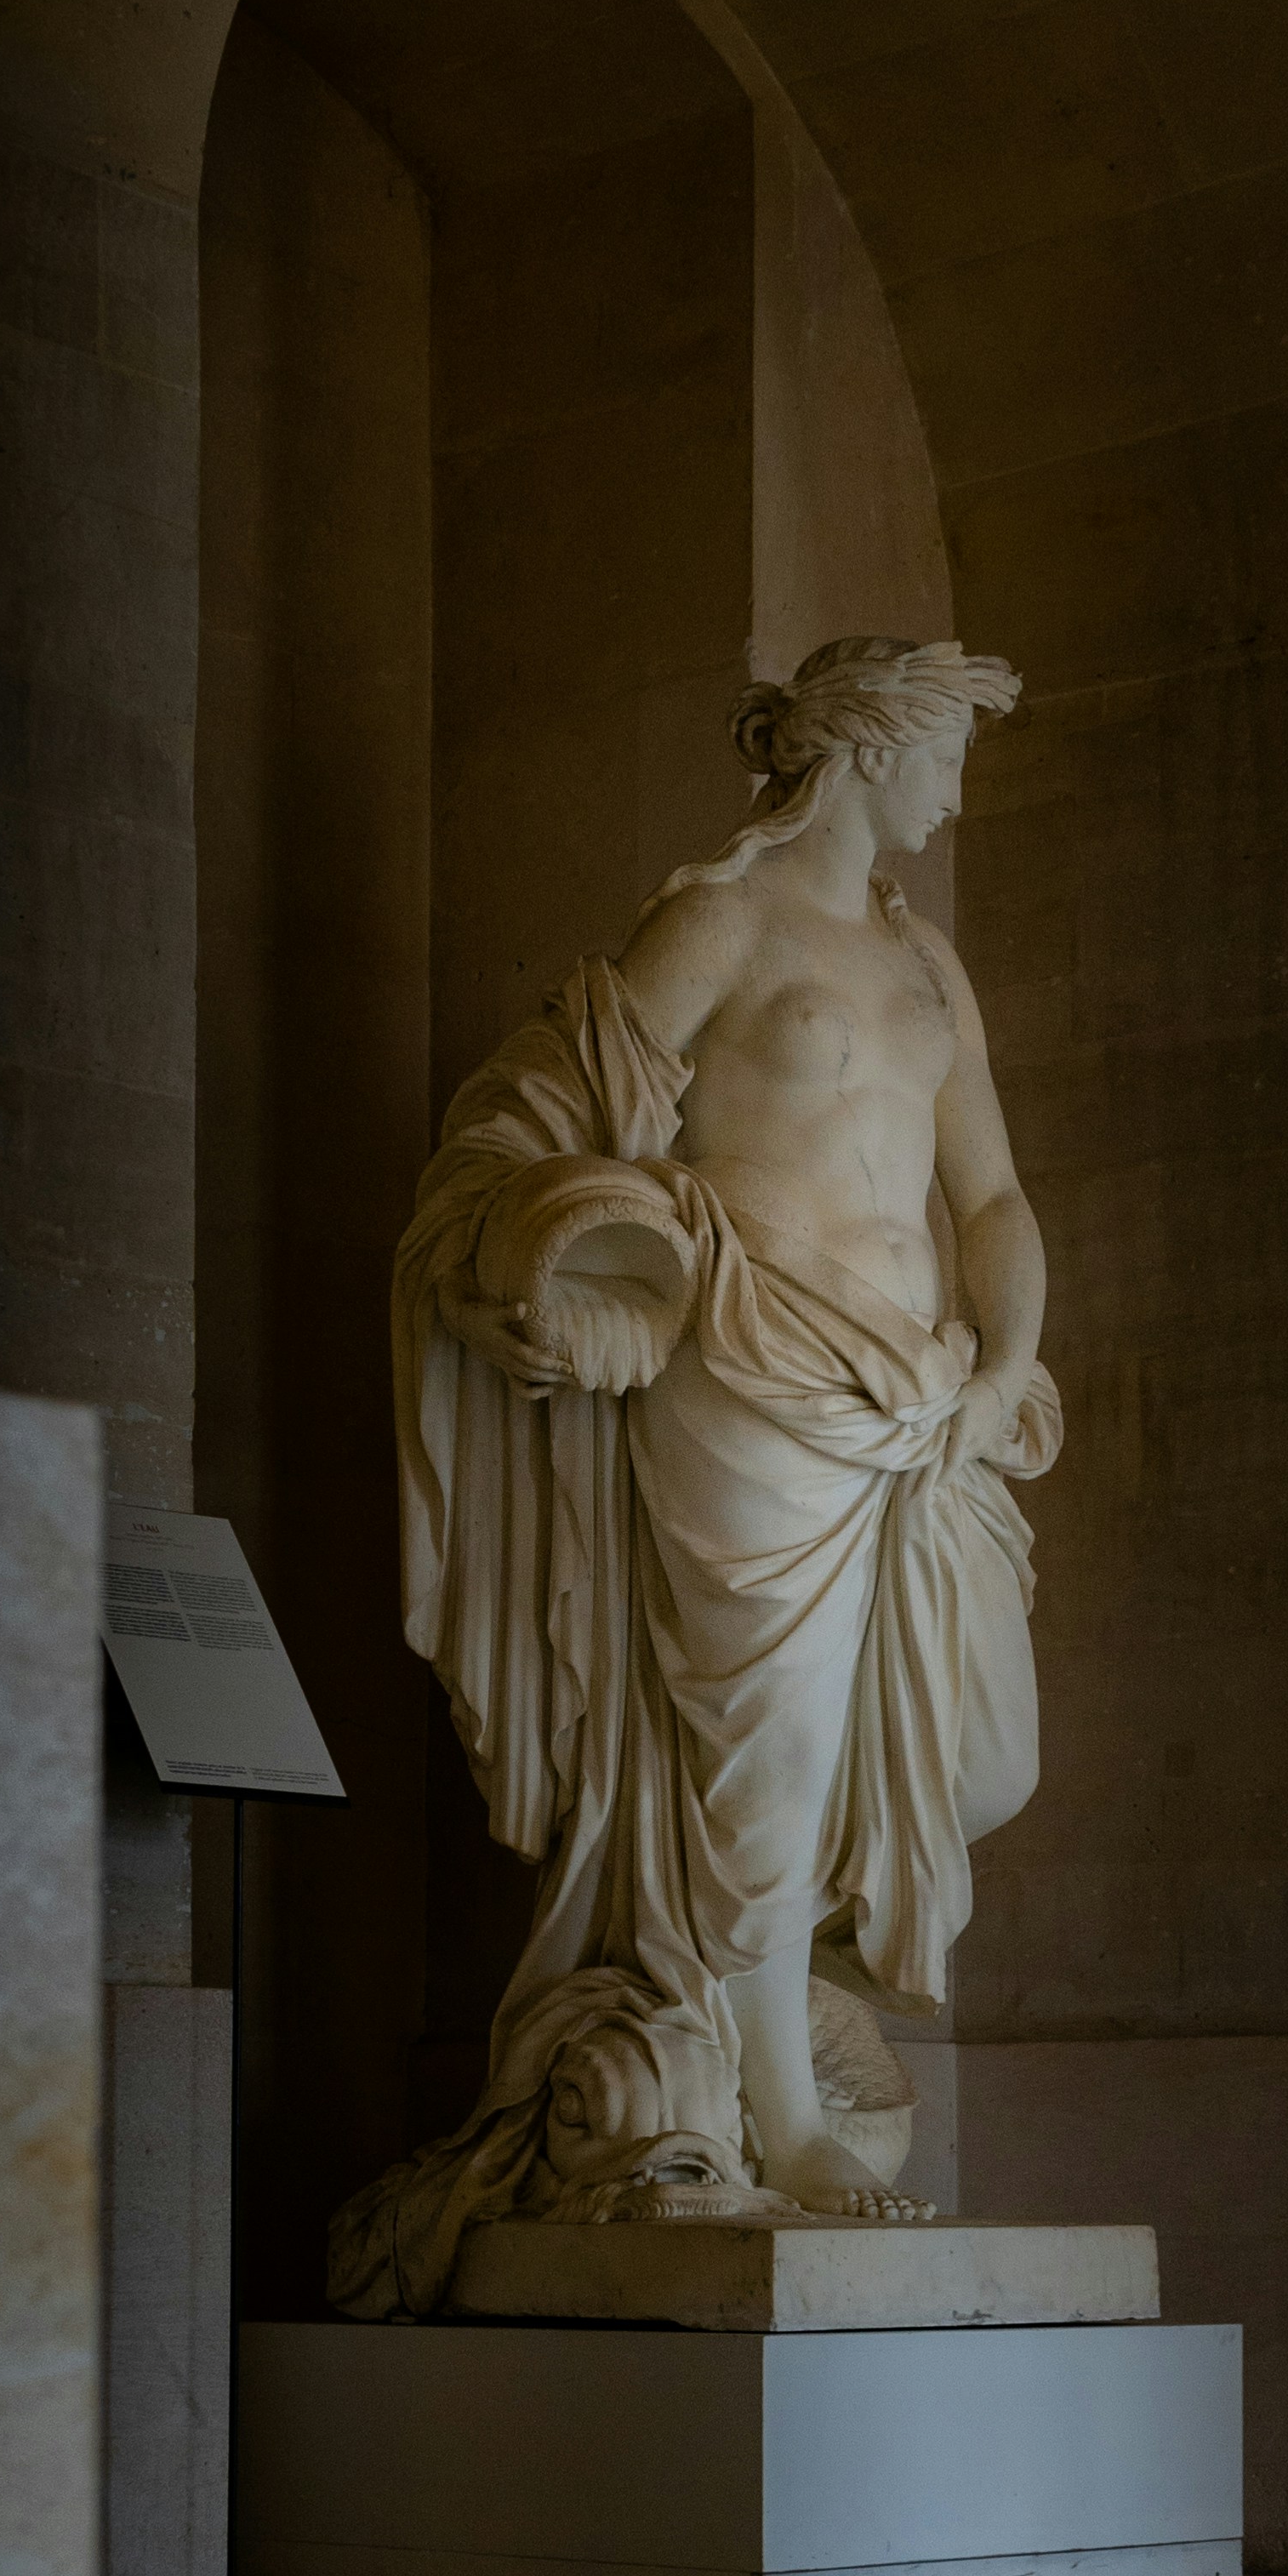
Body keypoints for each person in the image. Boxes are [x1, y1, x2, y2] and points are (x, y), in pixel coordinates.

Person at [326, 635, 1059, 2318]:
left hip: (916, 1404)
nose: (955, 791)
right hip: (740, 1367)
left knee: (985, 1757)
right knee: (766, 1759)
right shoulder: (720, 923)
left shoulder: (929, 966)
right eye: (944, 753)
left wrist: (1002, 1367)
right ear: (866, 748)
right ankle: (777, 2116)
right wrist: (539, 1260)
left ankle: (751, 2000)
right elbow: (538, 1115)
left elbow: (994, 1202)